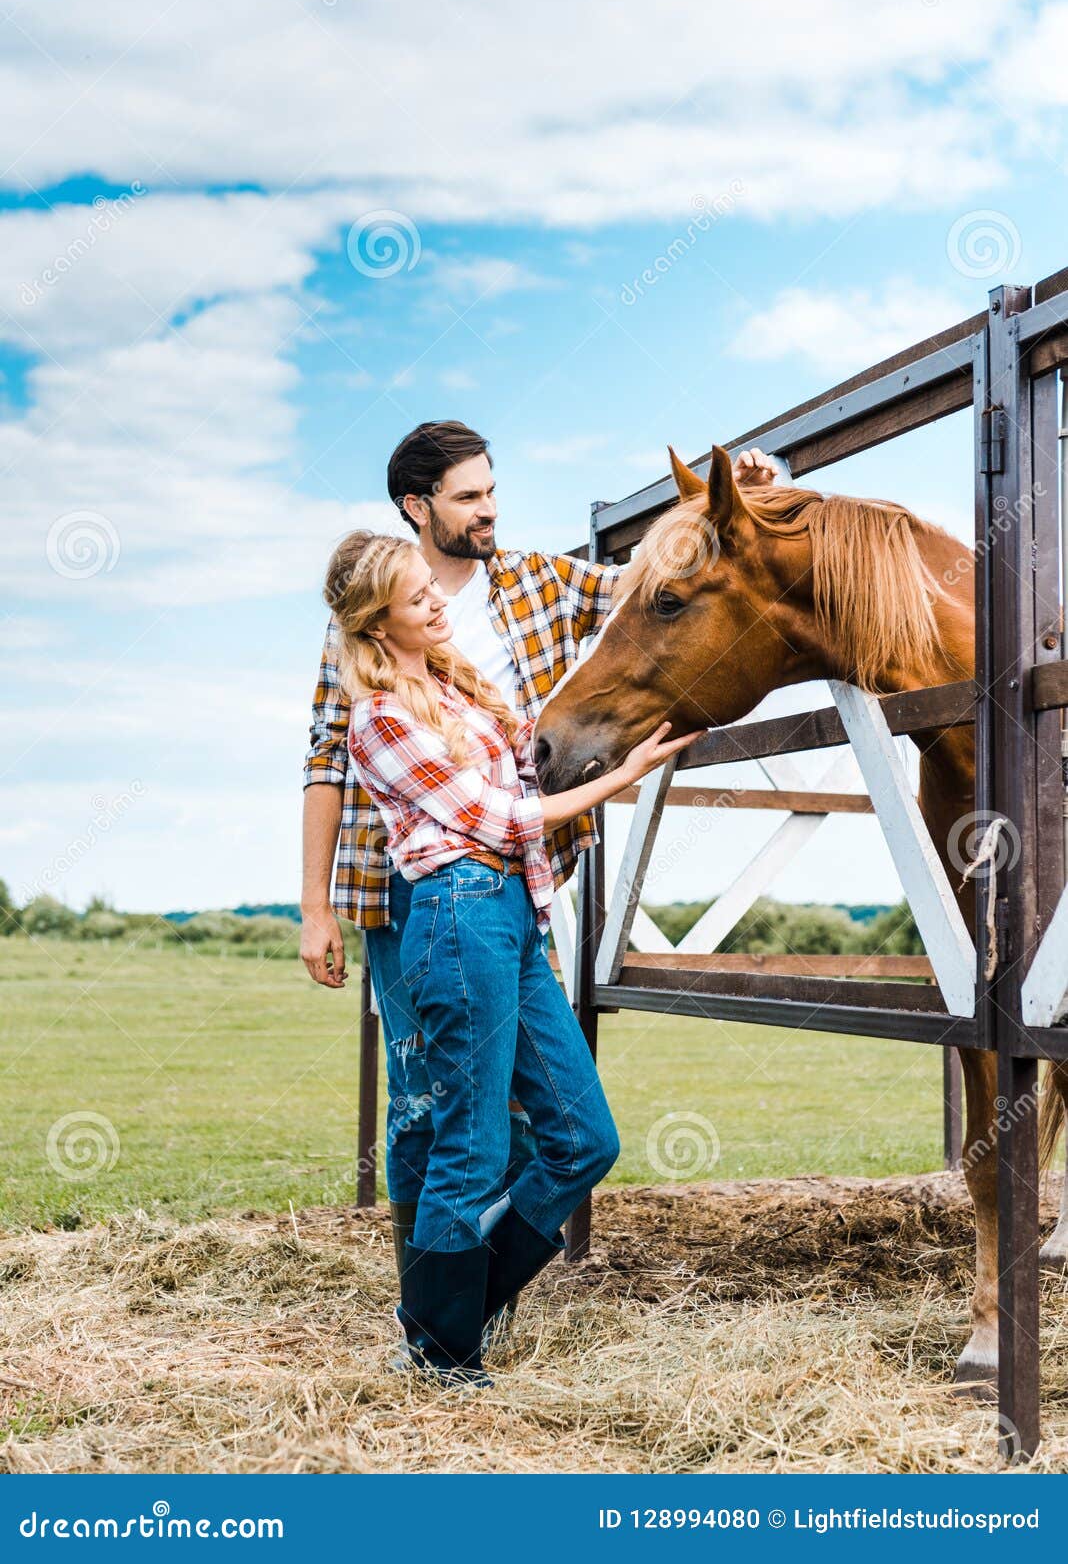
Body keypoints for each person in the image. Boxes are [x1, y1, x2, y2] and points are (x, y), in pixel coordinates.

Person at [300, 422, 777, 1295]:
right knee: (421, 1106)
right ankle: (435, 1301)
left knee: (524, 1104)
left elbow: (653, 586)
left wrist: (720, 499)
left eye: (492, 489)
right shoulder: (366, 622)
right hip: (402, 886)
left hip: (519, 876)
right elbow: (325, 761)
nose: (490, 510)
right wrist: (315, 909)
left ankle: (470, 1299)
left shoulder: (535, 581)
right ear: (418, 507)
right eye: (469, 496)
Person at [325, 529, 701, 1383]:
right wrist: (623, 775)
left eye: (433, 587)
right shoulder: (378, 721)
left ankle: (438, 1318)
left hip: (512, 915)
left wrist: (628, 726)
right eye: (416, 597)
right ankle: (446, 1354)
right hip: (456, 919)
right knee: (472, 1143)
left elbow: (533, 767)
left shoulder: (460, 689)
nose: (438, 601)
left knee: (583, 1140)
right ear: (379, 625)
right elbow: (499, 820)